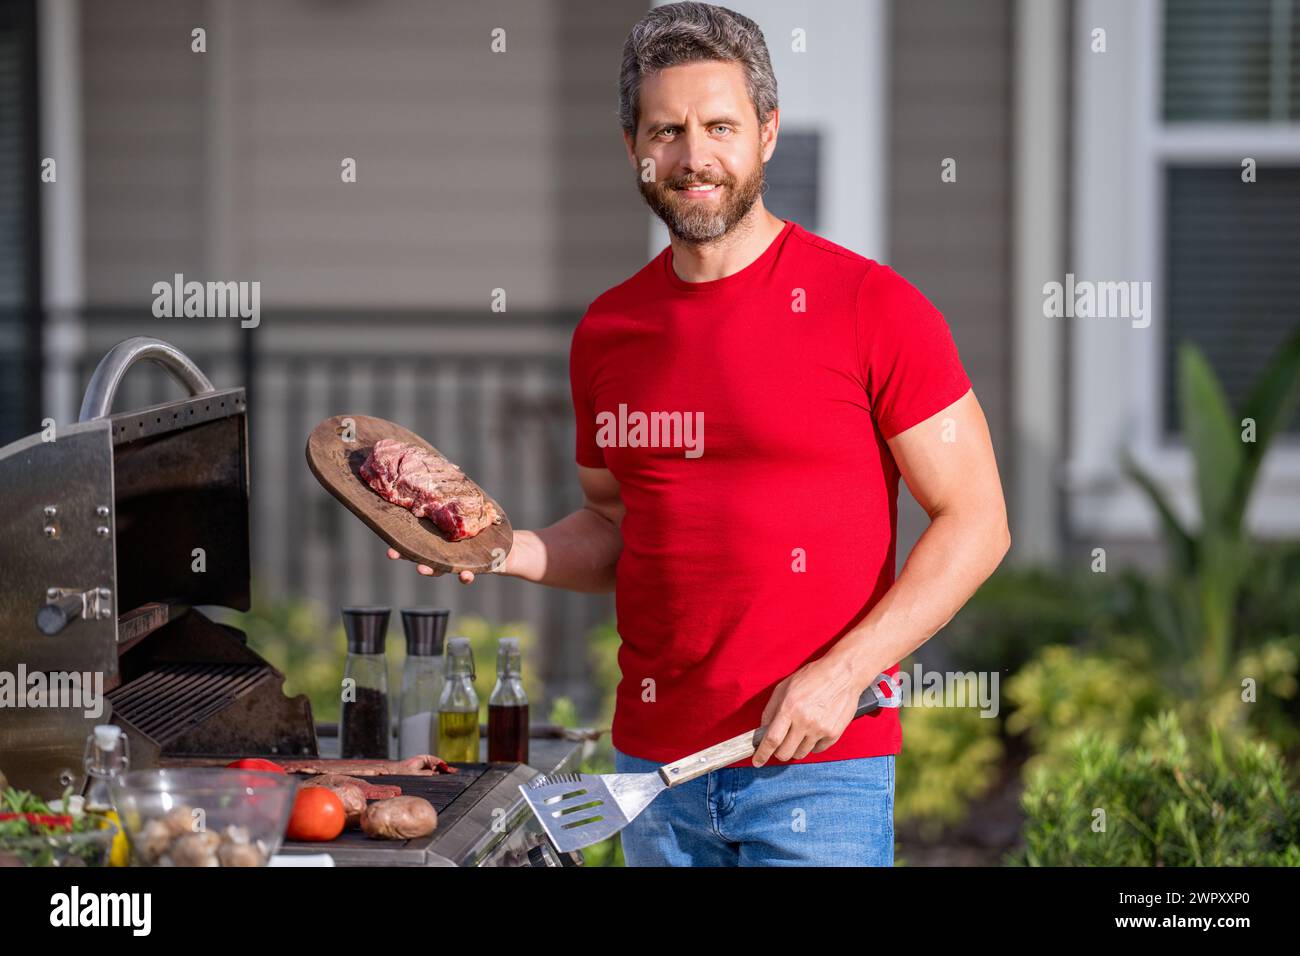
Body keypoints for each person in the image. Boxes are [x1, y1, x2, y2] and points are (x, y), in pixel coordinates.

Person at [389, 1, 1009, 866]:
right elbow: (615, 528)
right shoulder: (609, 333)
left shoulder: (872, 307)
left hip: (818, 774)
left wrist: (844, 673)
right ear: (633, 147)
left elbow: (978, 520)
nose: (693, 156)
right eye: (666, 129)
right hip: (654, 776)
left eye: (719, 125)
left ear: (767, 132)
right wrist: (496, 549)